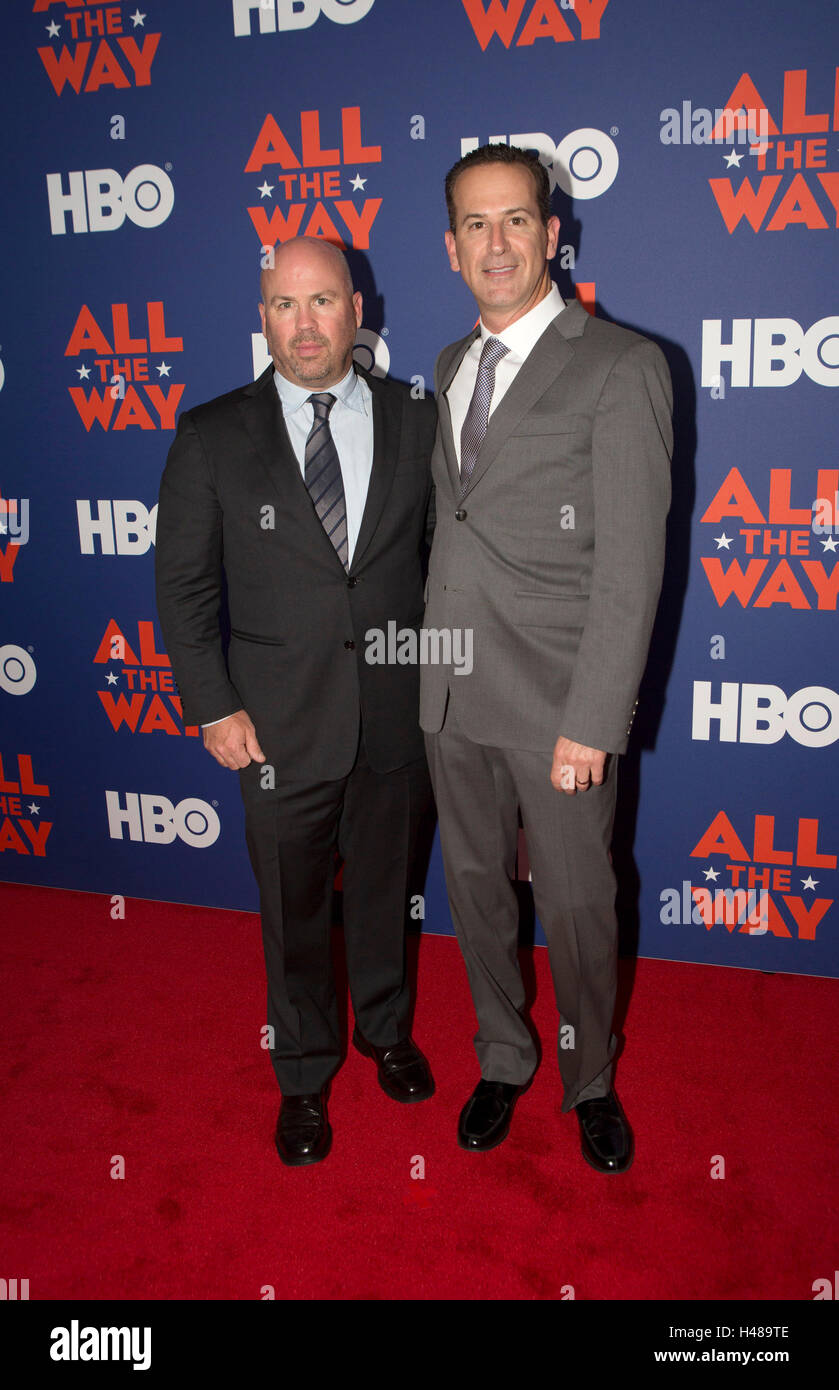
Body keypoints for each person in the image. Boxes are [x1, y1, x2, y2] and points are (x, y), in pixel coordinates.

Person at [155, 237, 436, 1167]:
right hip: (272, 723)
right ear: (263, 317)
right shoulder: (211, 432)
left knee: (388, 893)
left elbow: (443, 567)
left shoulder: (415, 418)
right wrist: (213, 705)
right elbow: (185, 590)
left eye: (322, 302)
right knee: (293, 908)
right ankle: (305, 1073)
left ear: (358, 309)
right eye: (284, 305)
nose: (305, 323)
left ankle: (385, 1031)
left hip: (397, 715)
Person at [421, 144, 673, 1172]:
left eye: (514, 219)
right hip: (449, 688)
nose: (495, 242)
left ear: (552, 232)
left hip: (559, 699)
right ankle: (502, 1052)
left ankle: (590, 1078)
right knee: (476, 888)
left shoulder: (620, 365)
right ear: (448, 247)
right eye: (474, 225)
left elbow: (629, 567)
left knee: (574, 904)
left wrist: (591, 718)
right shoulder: (445, 364)